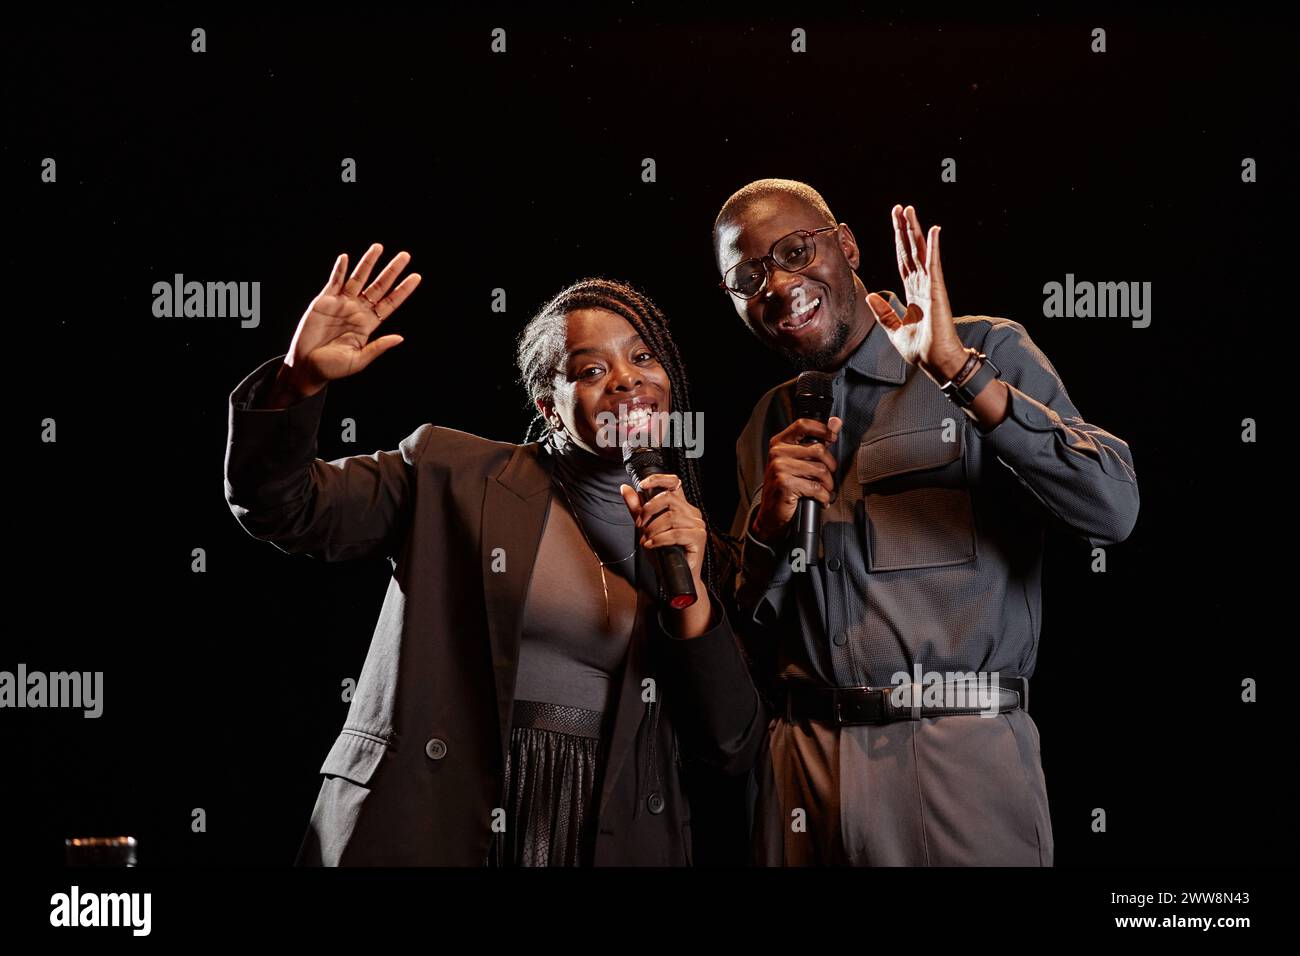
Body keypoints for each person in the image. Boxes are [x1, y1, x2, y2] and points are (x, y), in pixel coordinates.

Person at [222, 244, 764, 865]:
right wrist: (299, 380)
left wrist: (691, 590)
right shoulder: (450, 474)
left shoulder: (692, 539)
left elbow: (730, 744)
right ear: (546, 407)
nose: (627, 379)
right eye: (590, 371)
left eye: (643, 358)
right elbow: (282, 506)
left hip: (600, 830)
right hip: (445, 813)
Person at [711, 179, 1140, 865]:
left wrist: (958, 373)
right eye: (748, 276)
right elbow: (742, 639)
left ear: (846, 244)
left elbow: (1112, 508)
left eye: (796, 250)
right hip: (803, 768)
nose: (779, 283)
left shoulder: (984, 348)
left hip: (956, 753)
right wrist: (766, 534)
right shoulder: (765, 423)